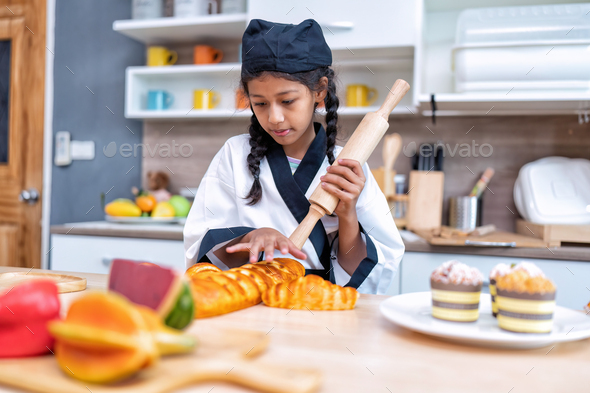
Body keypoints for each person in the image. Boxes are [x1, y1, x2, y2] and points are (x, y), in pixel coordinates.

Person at [184, 18, 404, 294]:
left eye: (287, 101)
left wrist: (348, 215)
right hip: (252, 301)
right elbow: (201, 251)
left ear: (319, 91)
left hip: (321, 301)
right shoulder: (234, 155)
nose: (274, 117)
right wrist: (251, 237)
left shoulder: (347, 165)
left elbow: (366, 272)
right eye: (260, 103)